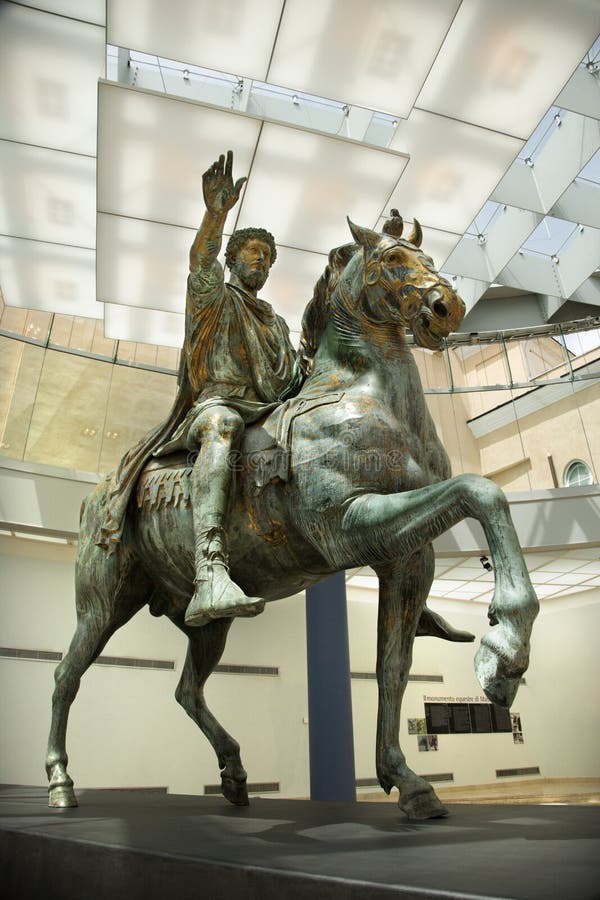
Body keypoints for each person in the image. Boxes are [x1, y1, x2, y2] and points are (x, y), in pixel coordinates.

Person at [99, 151, 296, 626]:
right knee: (222, 422)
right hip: (214, 409)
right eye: (256, 255)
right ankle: (209, 569)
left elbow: (290, 380)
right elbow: (200, 259)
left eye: (269, 259)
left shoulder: (277, 322)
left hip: (266, 412)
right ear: (234, 260)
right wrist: (216, 215)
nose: (264, 264)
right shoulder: (214, 297)